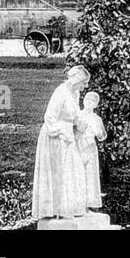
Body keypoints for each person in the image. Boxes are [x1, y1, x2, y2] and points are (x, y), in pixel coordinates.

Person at [31, 65, 90, 222]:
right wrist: (62, 132)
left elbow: (75, 114)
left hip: (67, 135)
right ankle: (56, 208)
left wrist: (83, 122)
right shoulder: (61, 92)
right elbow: (50, 118)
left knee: (74, 169)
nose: (85, 87)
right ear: (77, 80)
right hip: (55, 136)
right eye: (84, 83)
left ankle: (70, 207)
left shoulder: (75, 93)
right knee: (60, 171)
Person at [76, 90, 107, 210]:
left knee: (91, 175)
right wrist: (80, 129)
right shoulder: (78, 115)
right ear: (83, 101)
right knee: (78, 174)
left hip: (91, 148)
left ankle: (89, 206)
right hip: (79, 146)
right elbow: (73, 132)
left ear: (96, 105)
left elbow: (103, 136)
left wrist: (97, 132)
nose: (89, 102)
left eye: (93, 101)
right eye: (87, 99)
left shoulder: (96, 119)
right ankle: (78, 205)